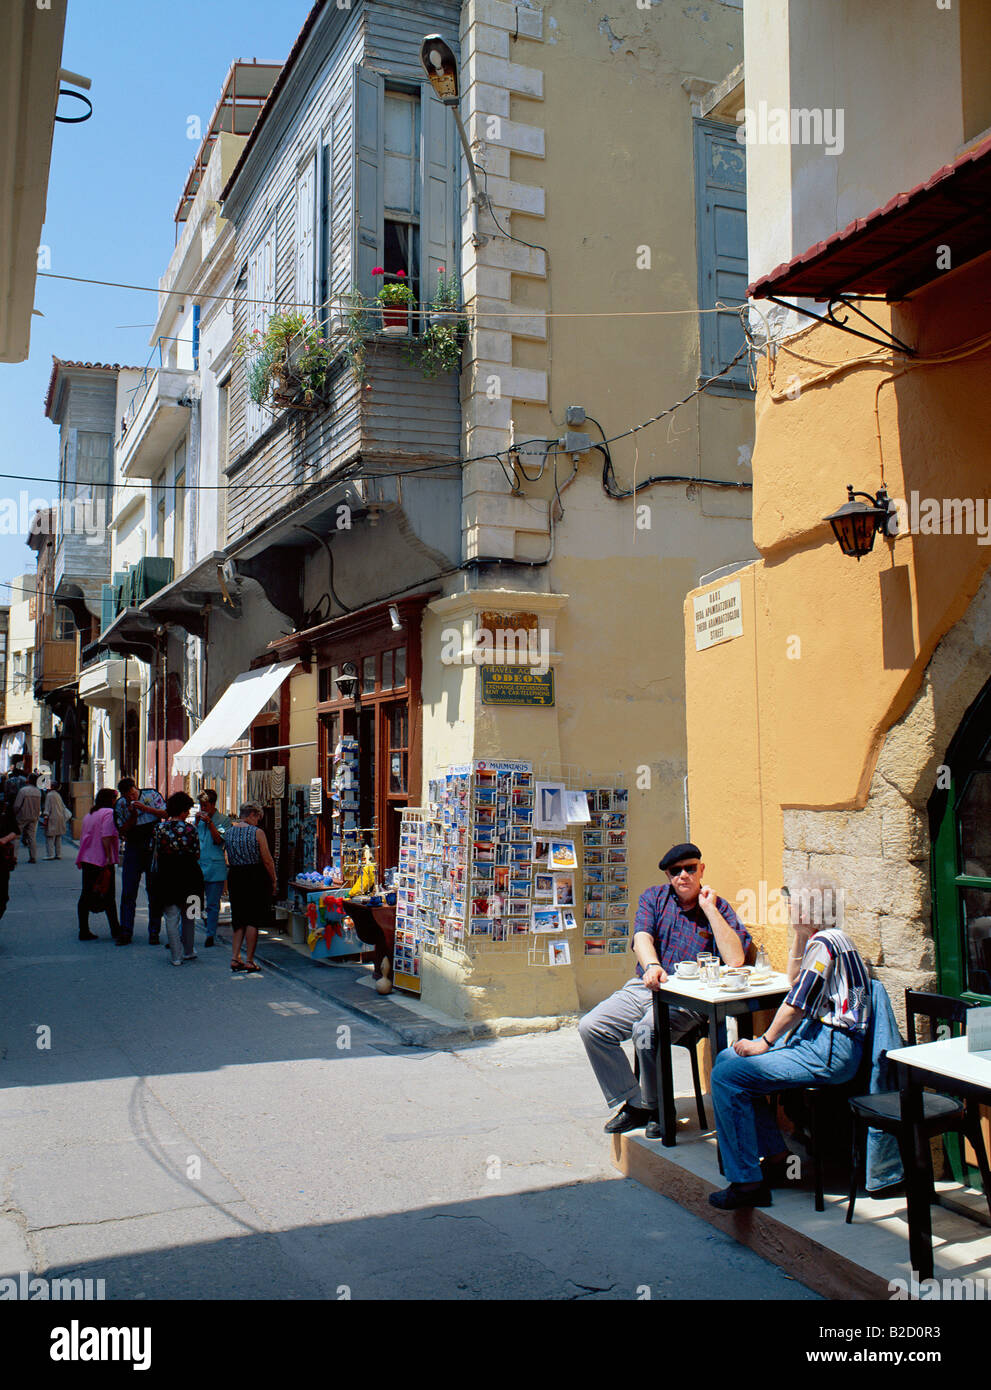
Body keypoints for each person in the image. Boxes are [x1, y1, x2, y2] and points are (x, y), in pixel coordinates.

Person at [707, 876, 873, 1210]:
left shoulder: (826, 945)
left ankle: (746, 1183)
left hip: (830, 1047)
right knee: (727, 1060)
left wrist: (764, 1042)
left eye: (793, 902)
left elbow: (796, 1003)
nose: (787, 907)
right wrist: (799, 935)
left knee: (728, 1075)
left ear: (810, 908)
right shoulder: (823, 940)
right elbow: (795, 981)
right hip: (822, 1041)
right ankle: (779, 1160)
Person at [579, 842, 751, 1137]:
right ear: (668, 876)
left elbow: (736, 958)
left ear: (701, 869)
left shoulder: (718, 906)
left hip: (690, 998)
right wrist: (651, 966)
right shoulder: (654, 898)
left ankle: (659, 1107)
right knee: (591, 1027)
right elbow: (642, 937)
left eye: (690, 868)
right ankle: (638, 1103)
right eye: (675, 871)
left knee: (646, 1031)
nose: (683, 875)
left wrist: (709, 910)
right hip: (647, 985)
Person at [149, 792, 204, 967]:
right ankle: (189, 950)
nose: (188, 813)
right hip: (190, 875)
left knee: (171, 916)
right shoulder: (191, 829)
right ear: (182, 810)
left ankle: (176, 955)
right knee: (190, 915)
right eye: (187, 809)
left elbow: (155, 853)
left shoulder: (159, 829)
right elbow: (197, 853)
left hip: (167, 875)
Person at [114, 778, 168, 946]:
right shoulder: (121, 805)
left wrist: (146, 809)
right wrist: (133, 815)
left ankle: (154, 931)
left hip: (153, 844)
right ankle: (126, 931)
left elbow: (166, 814)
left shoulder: (152, 794)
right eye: (127, 796)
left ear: (135, 788)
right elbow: (121, 830)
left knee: (154, 890)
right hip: (133, 845)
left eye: (132, 794)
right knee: (129, 890)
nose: (131, 798)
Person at [225, 802, 277, 974]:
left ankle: (234, 957)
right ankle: (249, 960)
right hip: (253, 876)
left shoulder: (229, 832)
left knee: (238, 918)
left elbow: (227, 857)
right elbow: (267, 859)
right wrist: (274, 879)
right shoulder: (257, 832)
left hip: (235, 876)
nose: (258, 822)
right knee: (252, 919)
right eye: (258, 818)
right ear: (253, 815)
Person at [76, 788, 121, 941]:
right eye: (115, 799)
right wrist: (109, 857)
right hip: (101, 859)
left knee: (86, 894)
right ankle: (115, 929)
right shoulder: (109, 813)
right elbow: (106, 836)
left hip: (87, 857)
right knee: (108, 895)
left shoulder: (90, 814)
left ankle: (83, 929)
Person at [194, 789, 229, 947]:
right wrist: (195, 823)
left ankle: (210, 934)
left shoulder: (223, 820)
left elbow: (218, 840)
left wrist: (210, 823)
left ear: (213, 804)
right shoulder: (199, 819)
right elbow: (193, 840)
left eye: (205, 805)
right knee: (193, 902)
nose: (202, 808)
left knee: (213, 904)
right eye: (201, 805)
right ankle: (186, 933)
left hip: (215, 866)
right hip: (198, 866)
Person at [13, 773, 42, 864]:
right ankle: (33, 857)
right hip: (34, 817)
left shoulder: (23, 791)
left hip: (22, 816)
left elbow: (17, 805)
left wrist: (15, 814)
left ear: (28, 780)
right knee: (32, 837)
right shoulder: (38, 792)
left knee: (17, 837)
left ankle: (14, 857)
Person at [0, 793, 18, 923]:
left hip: (2, 860)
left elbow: (15, 831)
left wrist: (4, 839)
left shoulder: (5, 808)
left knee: (2, 898)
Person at [41, 780, 69, 859]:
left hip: (52, 818)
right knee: (58, 837)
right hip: (60, 818)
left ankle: (50, 854)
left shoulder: (49, 795)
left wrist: (45, 819)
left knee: (50, 837)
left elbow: (47, 808)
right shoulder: (58, 795)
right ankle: (58, 854)